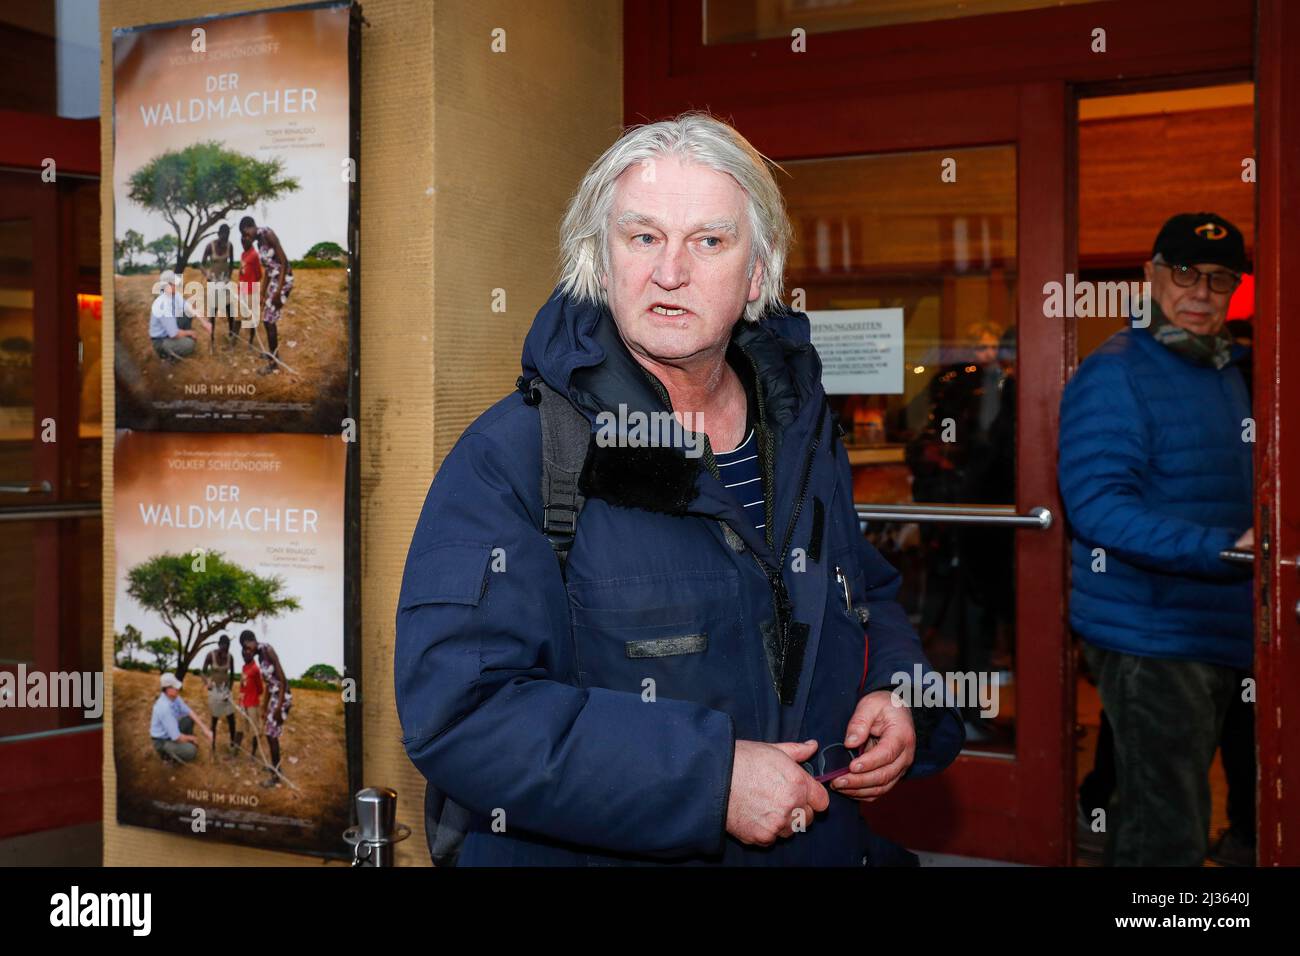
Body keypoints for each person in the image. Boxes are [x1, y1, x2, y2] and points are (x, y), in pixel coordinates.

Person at [395, 112, 963, 867]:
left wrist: (900, 693)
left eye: (709, 240)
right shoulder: (517, 454)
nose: (670, 271)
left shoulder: (798, 430)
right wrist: (711, 779)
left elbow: (865, 591)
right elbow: (462, 712)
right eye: (643, 237)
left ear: (757, 274)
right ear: (601, 260)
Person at [1058, 211, 1253, 866]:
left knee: (1196, 809)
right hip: (1152, 635)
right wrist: (1226, 550)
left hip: (1218, 626)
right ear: (1151, 275)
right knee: (1166, 828)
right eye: (1184, 273)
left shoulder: (1225, 369)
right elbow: (1099, 511)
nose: (1200, 291)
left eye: (1219, 279)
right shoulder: (1115, 372)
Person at [238, 216, 294, 375]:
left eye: (246, 234)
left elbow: (284, 263)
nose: (246, 238)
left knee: (268, 320)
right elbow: (269, 270)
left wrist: (278, 291)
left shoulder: (268, 234)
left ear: (251, 227)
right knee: (268, 319)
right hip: (274, 280)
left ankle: (274, 364)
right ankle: (273, 354)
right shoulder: (258, 242)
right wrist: (262, 293)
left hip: (284, 280)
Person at [238, 630, 292, 788]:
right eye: (244, 649)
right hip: (275, 697)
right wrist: (265, 707)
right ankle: (276, 768)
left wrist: (278, 707)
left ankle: (276, 776)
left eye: (247, 647)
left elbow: (282, 680)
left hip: (283, 697)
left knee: (270, 734)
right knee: (271, 734)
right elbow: (269, 684)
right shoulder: (260, 656)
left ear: (251, 641)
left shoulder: (268, 650)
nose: (247, 651)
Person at [150, 672, 212, 764]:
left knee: (188, 719)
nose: (178, 688)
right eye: (175, 687)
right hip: (162, 741)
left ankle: (184, 744)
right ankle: (167, 755)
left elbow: (189, 711)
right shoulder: (164, 708)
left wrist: (205, 729)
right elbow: (176, 737)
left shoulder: (174, 697)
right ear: (168, 689)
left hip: (170, 734)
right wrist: (192, 738)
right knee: (192, 751)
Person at [148, 269, 211, 361]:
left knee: (187, 313)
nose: (177, 285)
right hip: (161, 341)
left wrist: (205, 322)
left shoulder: (174, 295)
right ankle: (168, 356)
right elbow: (174, 334)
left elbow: (190, 308)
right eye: (174, 283)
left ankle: (182, 340)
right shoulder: (163, 305)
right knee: (190, 344)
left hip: (169, 332)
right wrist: (190, 333)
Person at [200, 634, 242, 753]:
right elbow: (202, 672)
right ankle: (212, 745)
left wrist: (229, 690)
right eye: (223, 648)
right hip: (214, 690)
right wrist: (207, 683)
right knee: (214, 718)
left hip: (226, 690)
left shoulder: (230, 657)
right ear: (219, 645)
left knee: (231, 718)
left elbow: (233, 675)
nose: (225, 651)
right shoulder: (210, 655)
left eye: (227, 648)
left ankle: (233, 744)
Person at [200, 223, 239, 346]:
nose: (225, 240)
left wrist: (229, 276)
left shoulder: (230, 245)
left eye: (227, 237)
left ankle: (231, 336)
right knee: (213, 312)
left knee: (230, 310)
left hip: (225, 282)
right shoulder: (210, 246)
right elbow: (201, 264)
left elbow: (232, 262)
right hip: (213, 282)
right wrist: (207, 274)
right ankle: (211, 339)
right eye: (223, 237)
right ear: (219, 235)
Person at [238, 642, 267, 762]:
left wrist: (251, 695)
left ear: (253, 653)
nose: (245, 652)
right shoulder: (244, 667)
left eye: (248, 650)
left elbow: (260, 689)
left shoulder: (255, 669)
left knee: (254, 730)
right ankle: (235, 751)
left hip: (252, 704)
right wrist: (240, 699)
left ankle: (253, 754)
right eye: (243, 650)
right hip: (243, 703)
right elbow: (242, 685)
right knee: (240, 728)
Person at [236, 233, 263, 348]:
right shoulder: (243, 254)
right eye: (242, 241)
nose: (243, 244)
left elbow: (259, 274)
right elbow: (241, 271)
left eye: (245, 241)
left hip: (252, 290)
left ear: (251, 241)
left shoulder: (255, 255)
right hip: (242, 289)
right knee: (238, 316)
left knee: (252, 318)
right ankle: (234, 340)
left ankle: (251, 342)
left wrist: (251, 283)